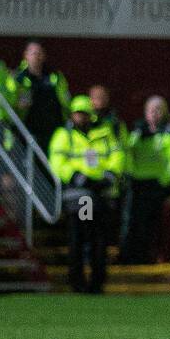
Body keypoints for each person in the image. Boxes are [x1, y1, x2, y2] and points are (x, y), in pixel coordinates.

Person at [50, 95, 123, 294]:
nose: (81, 118)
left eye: (84, 114)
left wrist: (109, 175)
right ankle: (78, 280)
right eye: (78, 114)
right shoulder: (64, 135)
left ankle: (97, 281)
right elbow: (57, 162)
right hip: (81, 197)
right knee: (81, 237)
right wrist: (78, 177)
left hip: (101, 195)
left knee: (99, 239)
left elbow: (117, 155)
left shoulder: (104, 133)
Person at [120, 96, 170, 264]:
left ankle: (152, 257)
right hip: (137, 184)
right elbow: (127, 156)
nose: (155, 114)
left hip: (160, 185)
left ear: (165, 112)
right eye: (151, 110)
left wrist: (163, 181)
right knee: (131, 222)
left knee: (152, 225)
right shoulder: (137, 133)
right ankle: (130, 257)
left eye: (159, 110)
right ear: (145, 113)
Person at [13, 40, 69, 154]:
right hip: (28, 131)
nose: (36, 57)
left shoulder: (55, 76)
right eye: (33, 53)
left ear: (44, 56)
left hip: (54, 130)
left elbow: (66, 101)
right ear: (26, 56)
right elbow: (13, 102)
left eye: (39, 53)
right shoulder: (18, 78)